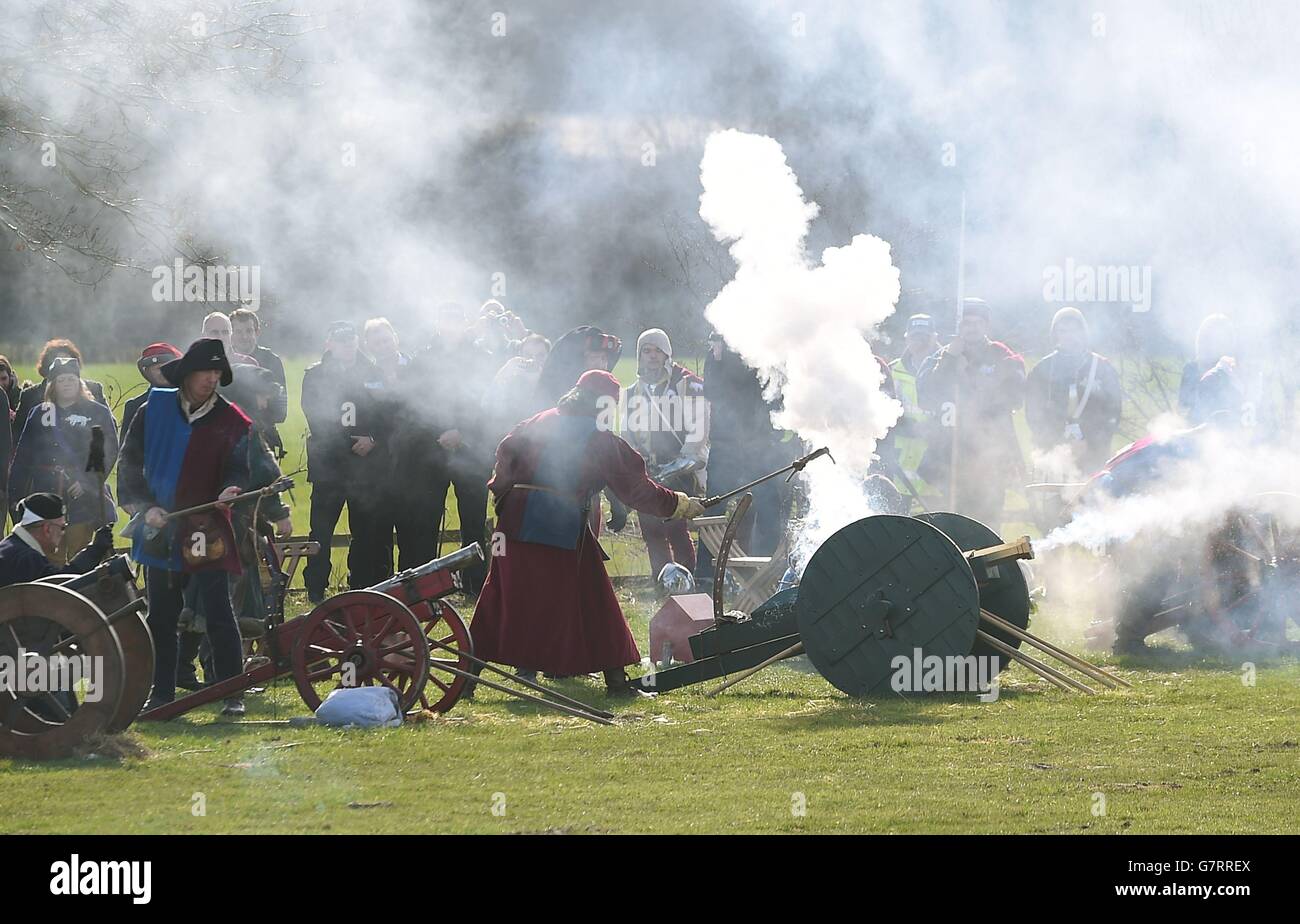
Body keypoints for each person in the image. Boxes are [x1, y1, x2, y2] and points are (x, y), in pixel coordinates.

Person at [469, 370, 706, 695]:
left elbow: (504, 456)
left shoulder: (538, 419)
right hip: (558, 523)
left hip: (513, 522)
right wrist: (679, 504)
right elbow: (636, 489)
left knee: (506, 595)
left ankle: (474, 677)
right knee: (593, 599)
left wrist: (506, 495)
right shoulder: (598, 437)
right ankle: (615, 682)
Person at [117, 339, 252, 715]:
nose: (212, 379)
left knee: (218, 612)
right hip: (161, 526)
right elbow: (129, 463)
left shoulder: (232, 420)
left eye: (217, 373)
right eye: (205, 372)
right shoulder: (152, 409)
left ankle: (231, 693)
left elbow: (239, 468)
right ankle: (161, 694)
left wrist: (231, 488)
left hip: (206, 528)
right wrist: (145, 509)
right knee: (161, 613)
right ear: (187, 375)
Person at [398, 303, 496, 592]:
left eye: (457, 320)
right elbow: (413, 403)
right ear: (439, 323)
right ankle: (428, 587)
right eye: (446, 320)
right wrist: (438, 432)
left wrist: (461, 431)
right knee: (425, 520)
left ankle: (474, 584)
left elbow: (488, 403)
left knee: (474, 522)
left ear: (465, 324)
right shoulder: (422, 360)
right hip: (430, 450)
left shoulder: (482, 359)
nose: (451, 326)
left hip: (472, 448)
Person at [916, 298, 1026, 531]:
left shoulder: (1001, 356)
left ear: (986, 326)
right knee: (952, 528)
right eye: (966, 323)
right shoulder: (941, 357)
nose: (971, 328)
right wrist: (949, 361)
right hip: (949, 459)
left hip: (989, 459)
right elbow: (926, 396)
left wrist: (971, 377)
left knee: (988, 527)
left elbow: (1014, 395)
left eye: (977, 322)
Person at [694, 332, 787, 586]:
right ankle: (704, 573)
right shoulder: (719, 346)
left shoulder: (768, 349)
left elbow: (776, 394)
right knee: (715, 506)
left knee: (768, 507)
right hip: (726, 443)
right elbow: (712, 390)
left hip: (760, 443)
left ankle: (764, 574)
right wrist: (721, 357)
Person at [300, 321, 384, 601]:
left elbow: (386, 411)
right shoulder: (315, 375)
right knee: (321, 530)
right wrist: (347, 443)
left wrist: (373, 438)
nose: (346, 346)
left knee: (364, 530)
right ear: (329, 344)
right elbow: (315, 417)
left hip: (365, 466)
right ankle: (315, 588)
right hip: (329, 465)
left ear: (357, 342)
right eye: (340, 340)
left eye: (350, 340)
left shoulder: (373, 372)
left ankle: (359, 587)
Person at [9, 357, 119, 563]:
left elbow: (105, 451)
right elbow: (24, 457)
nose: (67, 383)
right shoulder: (39, 413)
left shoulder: (96, 413)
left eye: (71, 379)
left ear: (79, 382)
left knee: (81, 557)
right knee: (51, 561)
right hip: (46, 496)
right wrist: (15, 494)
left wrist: (85, 482)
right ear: (53, 384)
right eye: (61, 380)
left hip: (83, 499)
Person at [621, 328, 708, 580]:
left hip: (680, 469)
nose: (652, 356)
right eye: (646, 351)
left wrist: (679, 463)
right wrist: (634, 462)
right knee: (651, 529)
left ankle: (687, 578)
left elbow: (699, 427)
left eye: (657, 350)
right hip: (647, 469)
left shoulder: (686, 384)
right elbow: (627, 434)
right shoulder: (631, 391)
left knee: (676, 526)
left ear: (667, 353)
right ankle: (662, 578)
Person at [1025, 306, 1123, 477]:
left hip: (1094, 454)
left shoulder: (1102, 368)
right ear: (1055, 334)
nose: (1068, 336)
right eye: (1063, 331)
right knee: (1055, 500)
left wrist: (1090, 442)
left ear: (1083, 332)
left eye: (1074, 331)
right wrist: (1058, 443)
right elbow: (1034, 414)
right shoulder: (1042, 369)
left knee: (1093, 500)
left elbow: (1113, 412)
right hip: (1053, 455)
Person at [0, 493, 114, 588]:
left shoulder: (11, 547)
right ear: (47, 529)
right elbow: (60, 587)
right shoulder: (27, 558)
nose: (63, 533)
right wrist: (96, 550)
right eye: (62, 527)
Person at [888, 314, 941, 502]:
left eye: (924, 337)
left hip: (935, 468)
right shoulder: (892, 370)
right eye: (914, 336)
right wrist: (904, 425)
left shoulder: (946, 368)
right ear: (906, 338)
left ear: (934, 338)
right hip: (900, 467)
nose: (919, 342)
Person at [12, 340, 108, 443]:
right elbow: (18, 434)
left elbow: (108, 431)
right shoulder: (31, 395)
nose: (63, 366)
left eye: (67, 361)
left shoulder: (93, 390)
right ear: (47, 366)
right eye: (57, 362)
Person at [230, 307, 288, 457]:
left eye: (249, 331)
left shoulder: (272, 361)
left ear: (257, 332)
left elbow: (280, 410)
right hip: (228, 438)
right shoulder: (223, 360)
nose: (244, 337)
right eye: (238, 331)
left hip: (263, 439)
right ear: (231, 334)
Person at [120, 343, 182, 439]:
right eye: (157, 368)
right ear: (147, 372)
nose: (161, 372)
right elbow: (126, 450)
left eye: (166, 367)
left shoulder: (189, 402)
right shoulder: (134, 406)